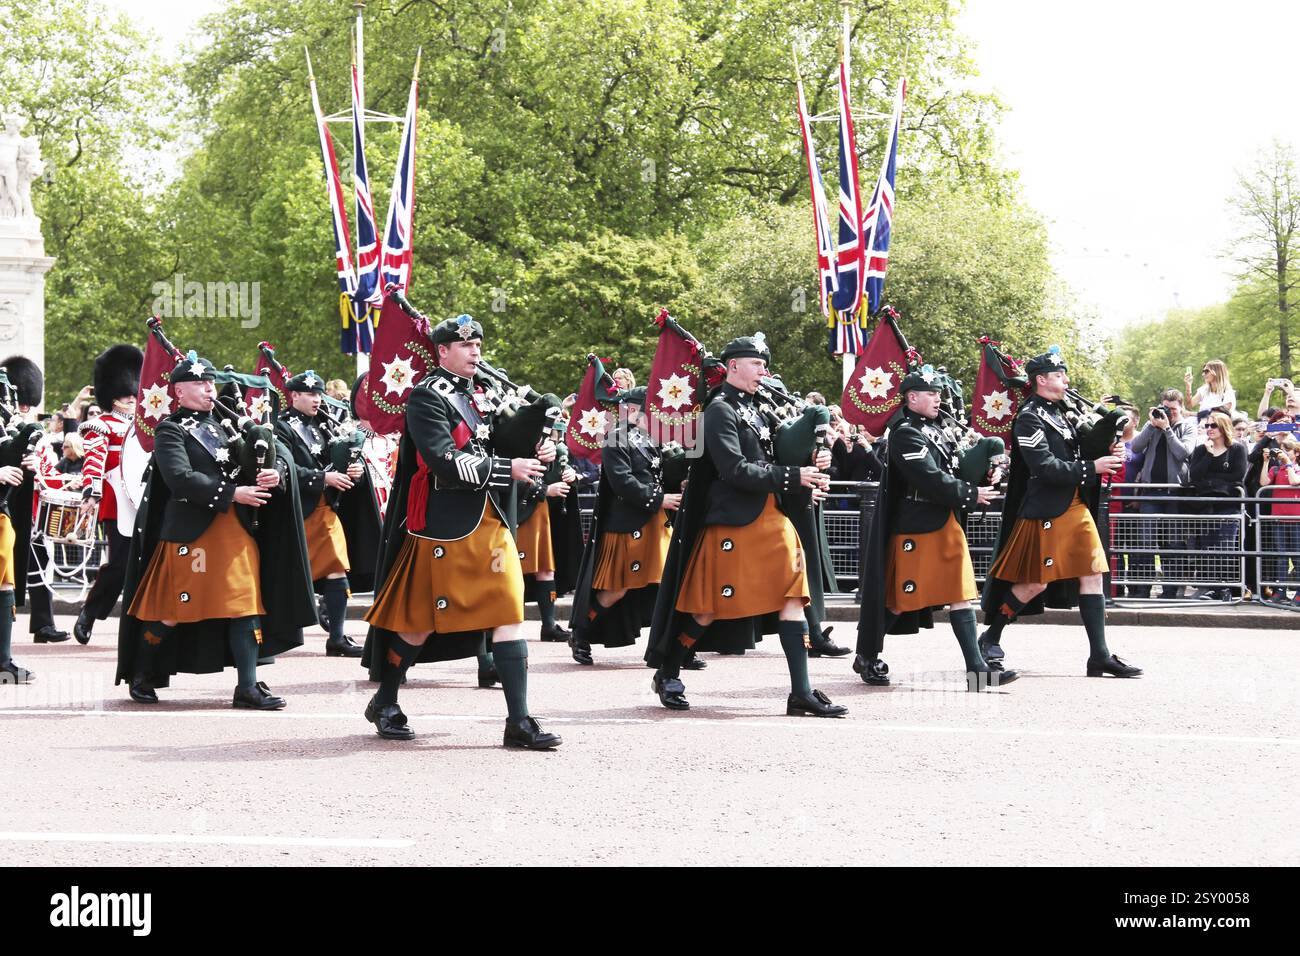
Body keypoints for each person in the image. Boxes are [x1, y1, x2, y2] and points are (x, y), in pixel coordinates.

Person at [361, 314, 561, 749]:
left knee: (510, 613)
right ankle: (387, 699)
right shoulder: (426, 397)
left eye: (478, 345)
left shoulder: (484, 393)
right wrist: (510, 467)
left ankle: (518, 721)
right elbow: (442, 459)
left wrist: (540, 444)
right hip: (445, 526)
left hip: (492, 520)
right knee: (419, 624)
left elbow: (500, 440)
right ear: (443, 351)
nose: (475, 353)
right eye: (465, 346)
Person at [645, 333, 847, 717]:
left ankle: (800, 692)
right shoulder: (720, 410)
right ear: (733, 366)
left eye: (763, 364)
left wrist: (813, 455)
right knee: (707, 608)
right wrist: (793, 476)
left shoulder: (759, 407)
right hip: (733, 518)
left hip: (772, 515)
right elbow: (733, 469)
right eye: (756, 364)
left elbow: (783, 447)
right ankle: (669, 669)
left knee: (793, 596)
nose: (763, 371)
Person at [115, 351, 317, 707]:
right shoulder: (170, 429)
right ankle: (143, 671)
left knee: (244, 604)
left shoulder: (228, 423)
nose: (209, 389)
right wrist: (232, 493)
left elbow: (274, 452)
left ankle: (247, 686)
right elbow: (179, 478)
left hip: (235, 529)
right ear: (178, 391)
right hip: (192, 534)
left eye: (210, 382)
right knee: (173, 612)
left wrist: (274, 472)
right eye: (198, 383)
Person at [979, 346, 1142, 679]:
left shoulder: (1062, 412)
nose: (1066, 380)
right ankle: (990, 636)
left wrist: (1111, 446)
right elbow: (1044, 467)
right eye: (1058, 375)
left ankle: (1099, 655)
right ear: (1041, 380)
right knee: (1035, 583)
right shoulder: (1029, 417)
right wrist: (1092, 467)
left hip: (1074, 504)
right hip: (1047, 508)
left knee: (1093, 573)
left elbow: (1085, 445)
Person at [855, 363, 1016, 690]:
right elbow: (927, 477)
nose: (937, 399)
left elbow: (954, 468)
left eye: (938, 393)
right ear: (911, 398)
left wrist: (984, 474)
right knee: (900, 600)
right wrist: (969, 493)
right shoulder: (903, 433)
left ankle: (977, 670)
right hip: (917, 523)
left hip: (945, 520)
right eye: (930, 394)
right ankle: (867, 654)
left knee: (960, 594)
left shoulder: (940, 429)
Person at [274, 369, 382, 658]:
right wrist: (323, 479)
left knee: (336, 569)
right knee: (286, 575)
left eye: (319, 393)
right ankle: (273, 633)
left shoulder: (326, 425)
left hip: (326, 509)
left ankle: (336, 637)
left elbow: (341, 458)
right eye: (310, 394)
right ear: (294, 395)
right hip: (296, 511)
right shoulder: (281, 427)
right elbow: (285, 468)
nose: (317, 400)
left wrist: (353, 471)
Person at [568, 388, 680, 664]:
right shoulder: (615, 439)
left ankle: (676, 649)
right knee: (618, 589)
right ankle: (581, 632)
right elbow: (622, 482)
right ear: (633, 410)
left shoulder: (654, 439)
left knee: (673, 586)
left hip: (658, 522)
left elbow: (663, 472)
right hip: (629, 524)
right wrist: (660, 498)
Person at [72, 345, 144, 645]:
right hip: (118, 501)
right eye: (126, 394)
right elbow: (94, 460)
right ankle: (91, 610)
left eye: (132, 393)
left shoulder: (145, 425)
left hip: (145, 499)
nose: (131, 398)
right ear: (113, 396)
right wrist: (91, 491)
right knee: (120, 564)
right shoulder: (101, 425)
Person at [1128, 389, 1196, 598]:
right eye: (1166, 408)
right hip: (1150, 493)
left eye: (1173, 409)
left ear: (1181, 407)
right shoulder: (1153, 426)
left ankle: (1170, 590)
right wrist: (1151, 424)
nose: (1169, 413)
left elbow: (1183, 452)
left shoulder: (1187, 427)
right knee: (1145, 542)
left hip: (1174, 493)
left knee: (1172, 543)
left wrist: (1167, 428)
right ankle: (1142, 589)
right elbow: (1137, 447)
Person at [1187, 411, 1248, 601]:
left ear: (1223, 427)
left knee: (1225, 547)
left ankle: (1225, 587)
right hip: (1205, 505)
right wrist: (1209, 454)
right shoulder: (1201, 449)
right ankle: (1210, 587)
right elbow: (1195, 477)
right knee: (1206, 548)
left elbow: (1237, 476)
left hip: (1228, 505)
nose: (1209, 429)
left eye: (1213, 425)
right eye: (1207, 426)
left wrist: (1211, 482)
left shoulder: (1237, 448)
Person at [1260, 437, 1300, 602]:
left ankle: (1298, 593)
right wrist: (1265, 462)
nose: (1283, 454)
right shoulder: (1276, 469)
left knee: (1297, 557)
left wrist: (1288, 464)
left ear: (1296, 453)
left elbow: (1294, 482)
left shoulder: (1295, 468)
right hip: (1279, 519)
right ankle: (1280, 590)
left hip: (1297, 520)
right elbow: (1263, 482)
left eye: (1287, 450)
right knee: (1281, 556)